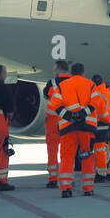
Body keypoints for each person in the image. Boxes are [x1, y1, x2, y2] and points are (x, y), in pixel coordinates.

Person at [56, 62, 98, 198]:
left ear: (71, 73)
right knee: (87, 156)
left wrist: (69, 116)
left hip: (68, 128)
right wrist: (82, 114)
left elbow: (55, 104)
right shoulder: (90, 84)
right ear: (83, 72)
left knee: (67, 157)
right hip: (86, 127)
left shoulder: (62, 86)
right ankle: (88, 188)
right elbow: (96, 102)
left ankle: (66, 188)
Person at [42, 60, 70, 188]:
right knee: (68, 150)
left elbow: (46, 95)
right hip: (68, 119)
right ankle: (68, 177)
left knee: (52, 150)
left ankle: (53, 178)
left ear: (59, 69)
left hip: (53, 120)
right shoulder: (73, 82)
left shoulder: (51, 83)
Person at [89, 74, 110, 183]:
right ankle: (102, 171)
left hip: (99, 124)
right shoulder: (107, 92)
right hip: (105, 124)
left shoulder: (98, 94)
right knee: (102, 148)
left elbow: (101, 113)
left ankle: (101, 173)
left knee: (99, 149)